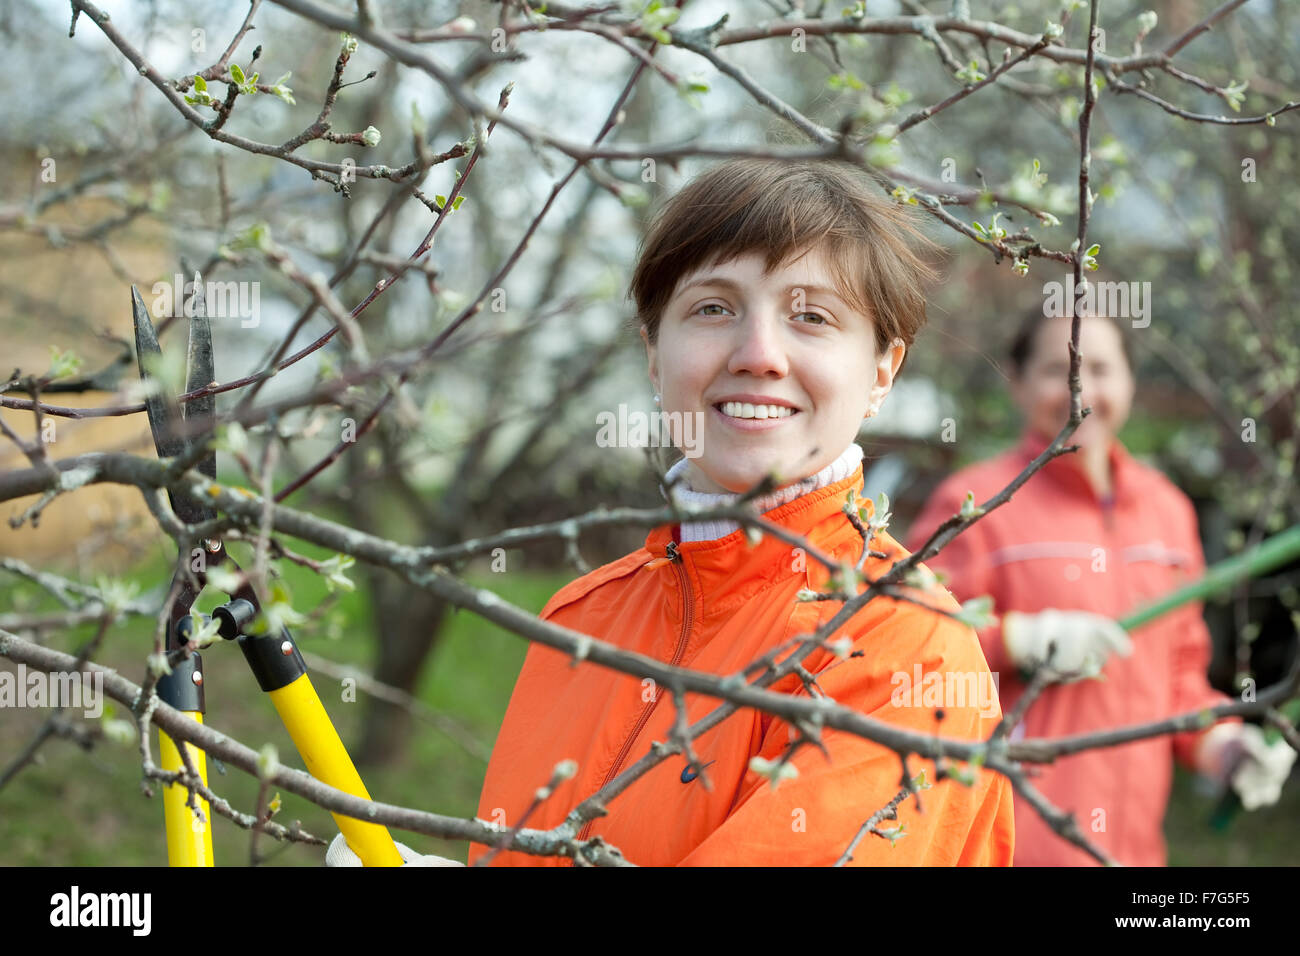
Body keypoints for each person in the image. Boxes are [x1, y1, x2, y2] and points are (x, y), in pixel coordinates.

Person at [442, 158, 1014, 867]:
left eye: (812, 316)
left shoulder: (907, 648)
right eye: (713, 308)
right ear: (655, 353)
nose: (758, 355)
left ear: (881, 371)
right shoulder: (578, 621)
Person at [903, 307, 1296, 866]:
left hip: (1131, 854)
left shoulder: (1167, 511)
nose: (1081, 389)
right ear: (1016, 383)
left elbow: (1178, 676)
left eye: (1103, 369)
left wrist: (1226, 748)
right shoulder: (975, 503)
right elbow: (913, 649)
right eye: (1057, 369)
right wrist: (1018, 641)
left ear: (1131, 382)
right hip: (1009, 846)